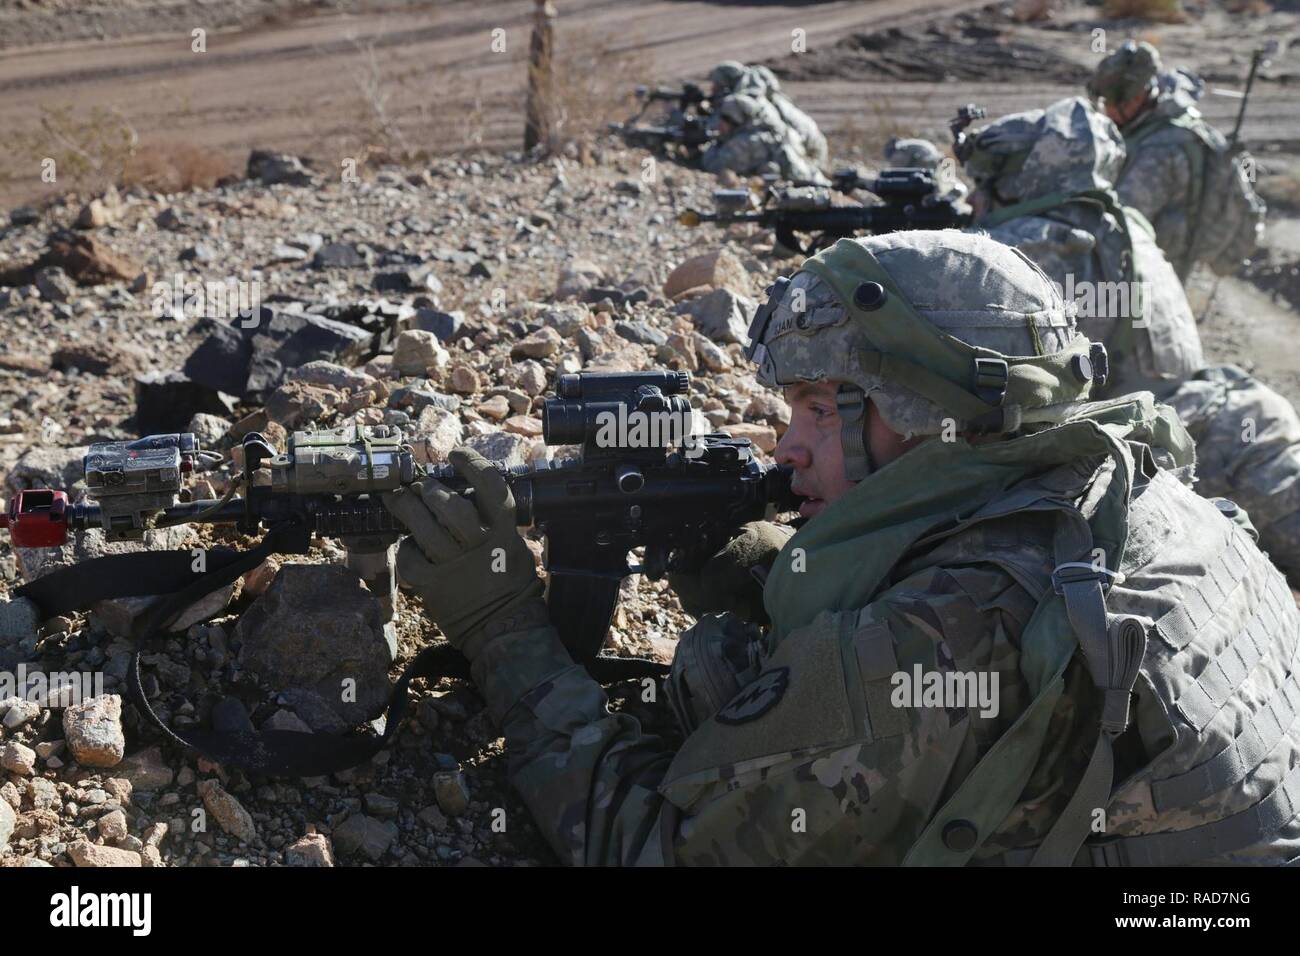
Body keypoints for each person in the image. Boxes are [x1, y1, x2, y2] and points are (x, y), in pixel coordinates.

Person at [383, 229, 1300, 866]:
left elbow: (650, 849)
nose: (784, 446)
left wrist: (500, 621)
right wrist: (760, 565)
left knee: (715, 682)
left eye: (820, 408)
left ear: (922, 415)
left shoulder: (933, 640)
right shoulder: (1134, 488)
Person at [962, 95, 1300, 584]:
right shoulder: (1126, 225)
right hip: (1235, 420)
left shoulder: (1025, 248)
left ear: (1013, 177)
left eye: (983, 182)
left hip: (1172, 462)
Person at [1086, 40, 1265, 279]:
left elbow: (1118, 224)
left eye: (1110, 102)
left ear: (1137, 97)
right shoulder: (1166, 115)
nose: (1105, 111)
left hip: (1153, 274)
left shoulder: (1159, 153)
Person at [708, 60, 829, 166]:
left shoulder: (754, 101)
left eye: (716, 86)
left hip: (803, 155)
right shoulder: (773, 99)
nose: (712, 91)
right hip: (808, 151)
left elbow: (722, 129)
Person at [700, 93, 825, 184]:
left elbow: (714, 165)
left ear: (735, 119)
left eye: (725, 120)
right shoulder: (763, 130)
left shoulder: (747, 142)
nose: (720, 125)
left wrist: (713, 146)